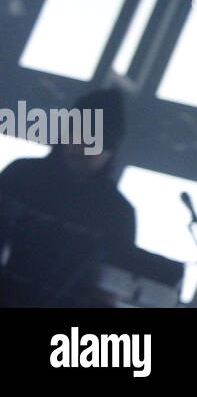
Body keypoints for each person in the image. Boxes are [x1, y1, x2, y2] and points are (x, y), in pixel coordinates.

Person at [0, 86, 136, 306]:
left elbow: (107, 292)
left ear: (110, 152)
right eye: (77, 134)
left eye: (94, 142)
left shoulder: (118, 213)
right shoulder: (21, 176)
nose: (81, 146)